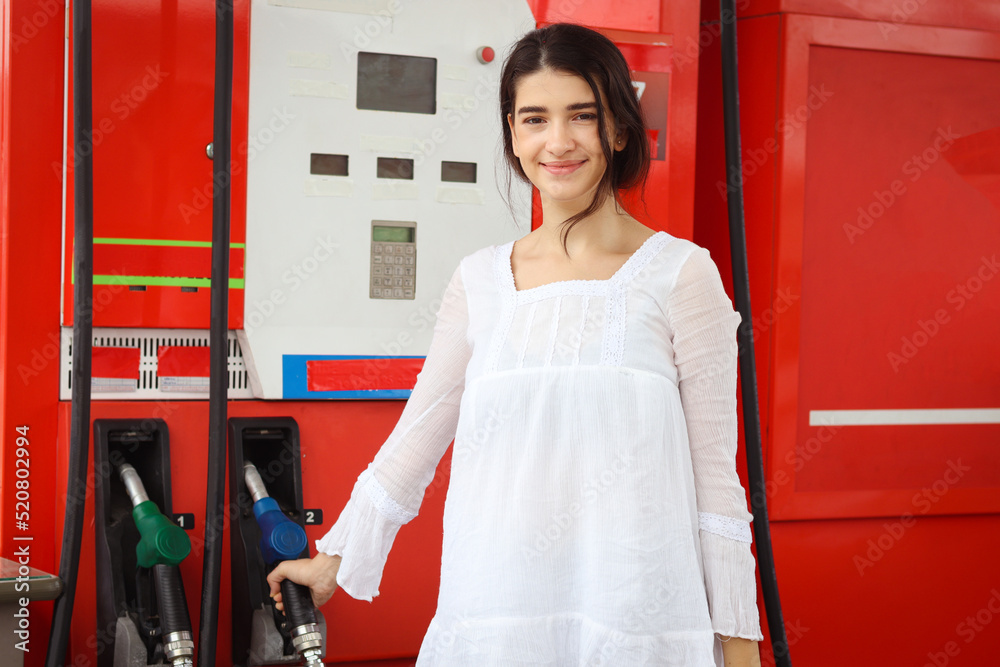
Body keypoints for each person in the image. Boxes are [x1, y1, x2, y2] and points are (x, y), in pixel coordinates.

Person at [268, 23, 763, 667]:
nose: (557, 141)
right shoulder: (479, 280)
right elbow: (416, 438)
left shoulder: (681, 273)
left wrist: (739, 643)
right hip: (497, 619)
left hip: (637, 621)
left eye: (582, 116)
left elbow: (714, 479)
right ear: (512, 133)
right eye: (535, 118)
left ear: (617, 129)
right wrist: (335, 559)